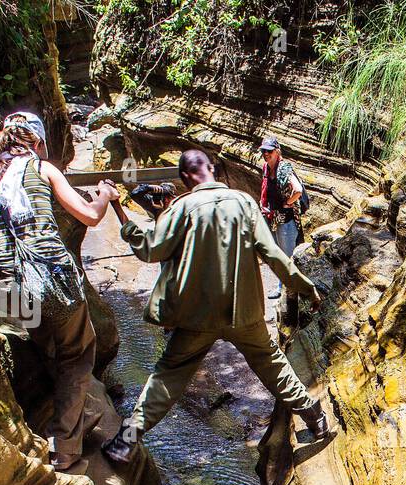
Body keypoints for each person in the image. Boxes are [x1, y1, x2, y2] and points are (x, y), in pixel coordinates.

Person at [101, 148, 332, 466]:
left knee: (168, 377)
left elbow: (152, 250)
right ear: (212, 169)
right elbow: (275, 256)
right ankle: (315, 417)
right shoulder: (243, 202)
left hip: (197, 318)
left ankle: (124, 444)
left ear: (184, 178)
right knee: (271, 364)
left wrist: (119, 211)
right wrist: (306, 289)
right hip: (244, 312)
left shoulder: (182, 208)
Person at [0, 111, 120, 471]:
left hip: (10, 288)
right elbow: (89, 216)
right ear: (36, 141)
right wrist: (105, 196)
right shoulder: (43, 169)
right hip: (53, 280)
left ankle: (81, 412)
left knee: (48, 341)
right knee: (77, 354)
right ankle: (64, 448)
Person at [258, 135, 306, 300]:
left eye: (269, 151)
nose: (266, 154)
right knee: (278, 254)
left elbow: (298, 190)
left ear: (277, 151)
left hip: (286, 220)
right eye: (264, 151)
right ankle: (285, 286)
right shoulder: (266, 168)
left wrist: (288, 202)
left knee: (288, 256)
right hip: (273, 218)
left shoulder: (284, 168)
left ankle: (288, 289)